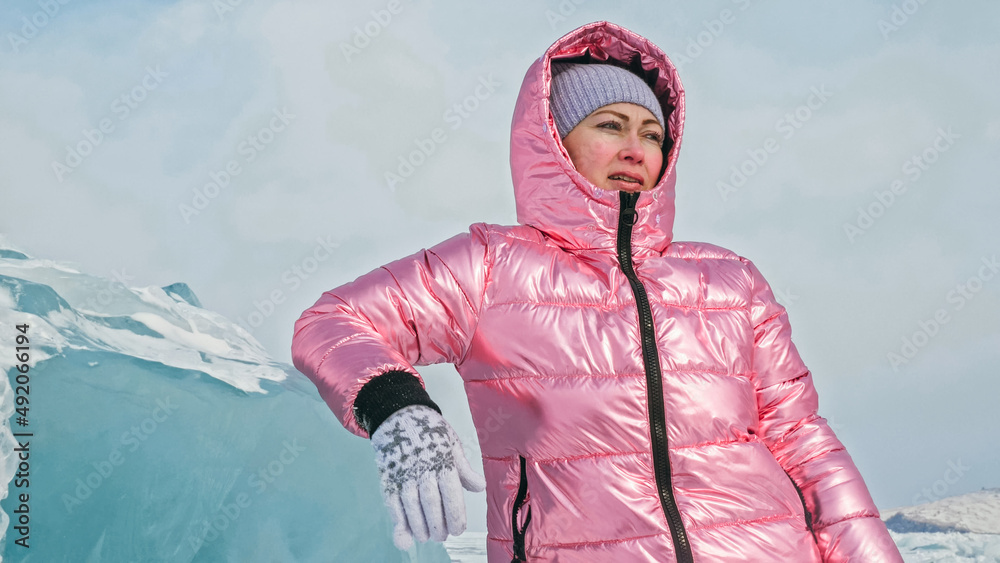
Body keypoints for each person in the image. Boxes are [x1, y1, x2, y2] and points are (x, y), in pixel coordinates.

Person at [292, 20, 903, 562]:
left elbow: (805, 445)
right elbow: (333, 321)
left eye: (652, 133)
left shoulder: (730, 280)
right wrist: (397, 406)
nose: (636, 149)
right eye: (609, 125)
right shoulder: (490, 266)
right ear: (554, 140)